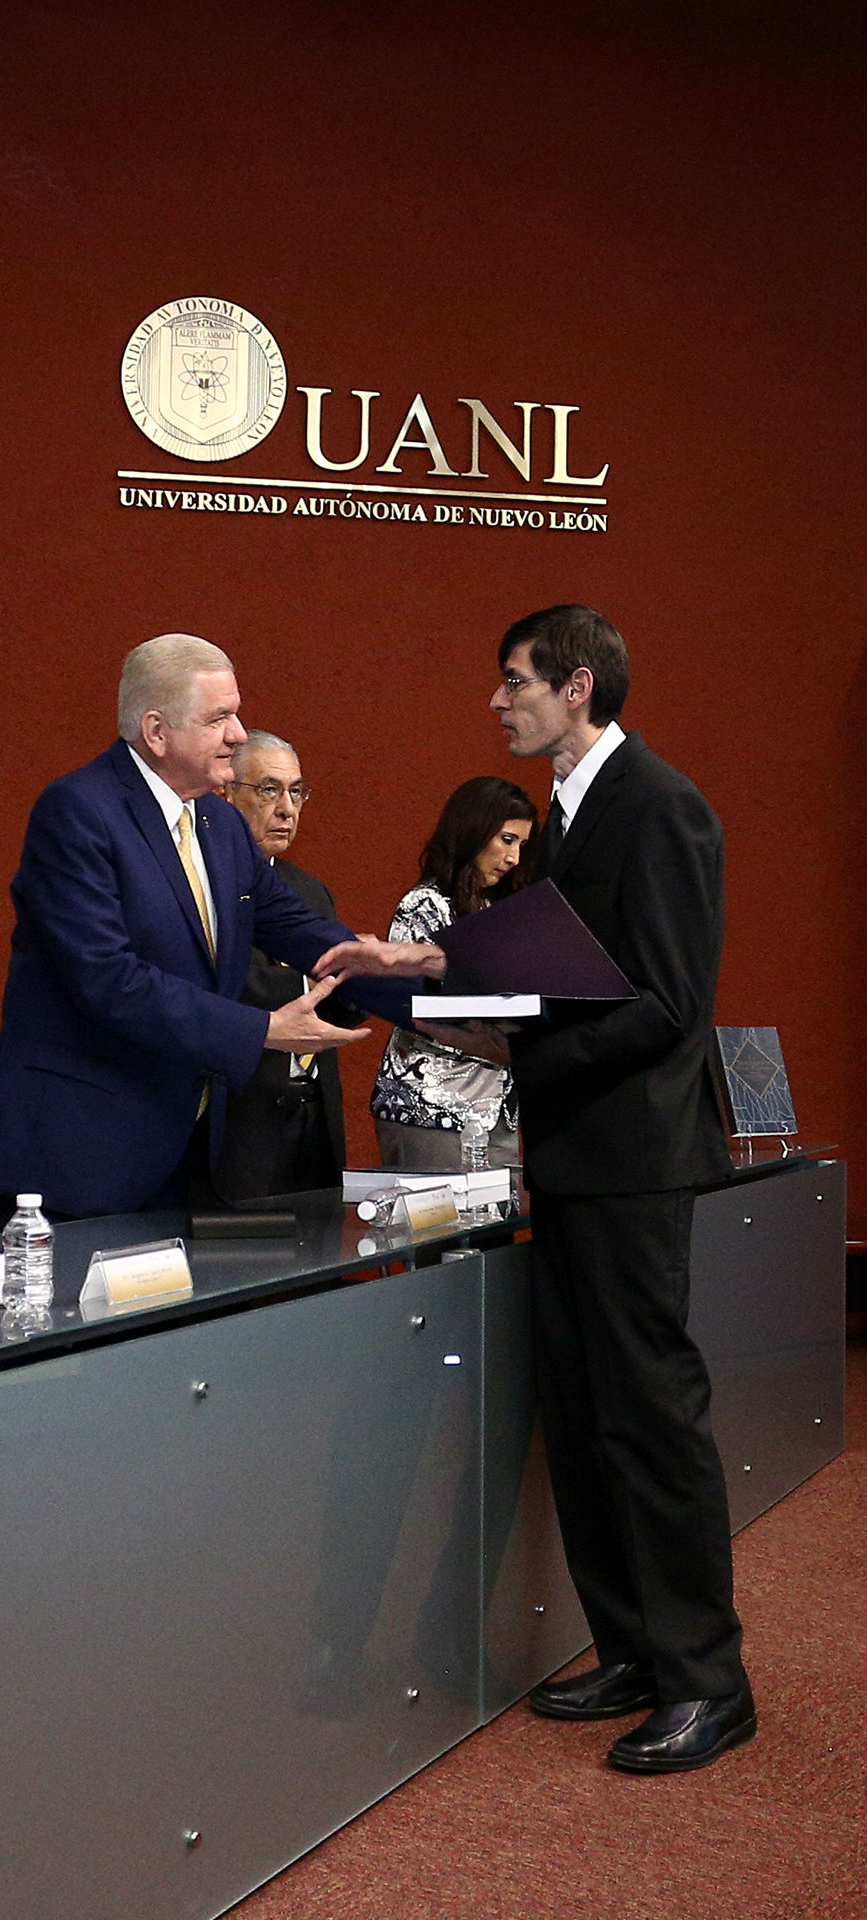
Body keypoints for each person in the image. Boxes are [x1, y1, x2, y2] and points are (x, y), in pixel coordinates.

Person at [318, 604, 752, 1774]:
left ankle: (710, 1681)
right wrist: (414, 962)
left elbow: (667, 1004)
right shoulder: (569, 812)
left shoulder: (660, 807)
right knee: (587, 1415)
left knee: (649, 1420)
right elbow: (533, 956)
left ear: (576, 687)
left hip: (632, 1167)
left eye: (513, 681)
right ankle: (635, 1652)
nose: (496, 702)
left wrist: (531, 1057)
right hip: (569, 1160)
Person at [0, 634, 443, 1228]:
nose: (240, 734)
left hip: (184, 1153)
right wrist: (264, 1029)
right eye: (219, 718)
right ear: (157, 731)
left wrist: (440, 1007)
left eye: (236, 714)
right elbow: (106, 979)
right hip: (77, 1154)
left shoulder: (219, 824)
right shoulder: (78, 811)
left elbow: (301, 930)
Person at [370, 776, 537, 1171]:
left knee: (496, 1230)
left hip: (496, 1109)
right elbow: (415, 1005)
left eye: (523, 846)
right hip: (431, 1108)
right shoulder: (424, 905)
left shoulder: (502, 908)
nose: (514, 858)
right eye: (507, 840)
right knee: (442, 1231)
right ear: (473, 831)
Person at [214, 730, 352, 1202]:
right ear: (225, 794)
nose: (287, 808)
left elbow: (340, 1004)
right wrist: (309, 982)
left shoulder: (309, 891)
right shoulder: (203, 887)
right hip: (239, 1125)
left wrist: (370, 974)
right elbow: (228, 989)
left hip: (313, 1123)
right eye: (269, 789)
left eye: (297, 792)